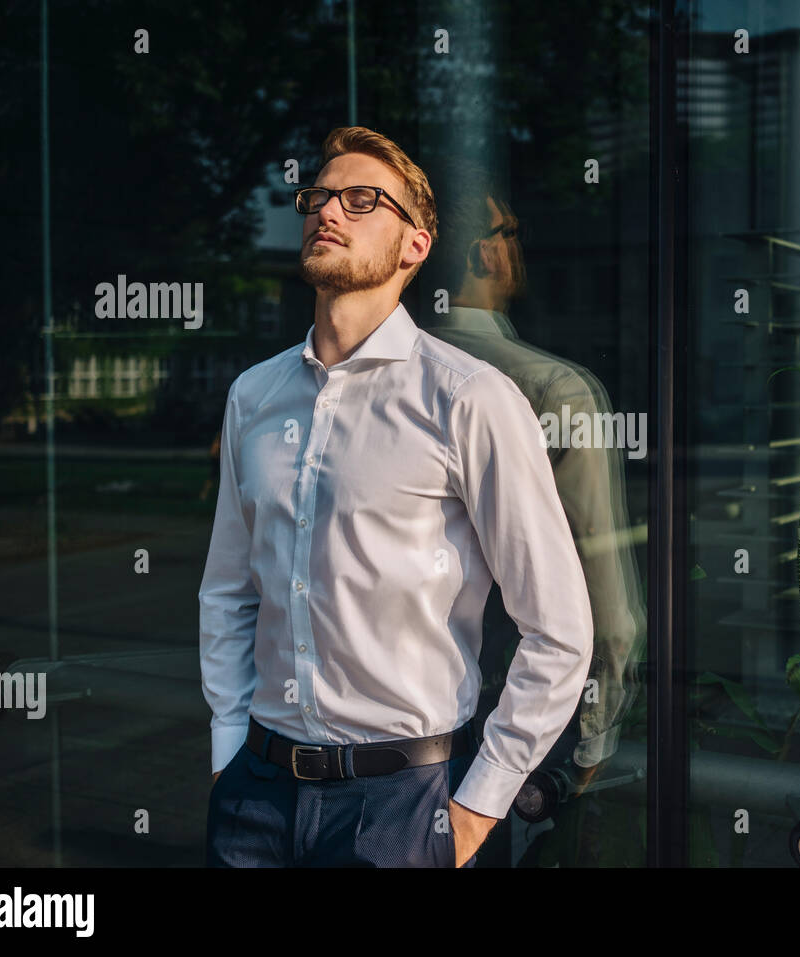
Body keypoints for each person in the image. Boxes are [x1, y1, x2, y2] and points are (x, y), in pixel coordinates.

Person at [198, 126, 594, 867]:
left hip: (402, 804)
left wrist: (474, 811)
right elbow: (227, 591)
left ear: (415, 246)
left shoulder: (468, 398)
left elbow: (560, 630)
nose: (327, 211)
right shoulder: (253, 394)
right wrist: (227, 753)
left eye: (360, 199)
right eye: (318, 195)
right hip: (255, 793)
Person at [416, 159, 645, 814]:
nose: (519, 245)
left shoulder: (366, 379)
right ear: (484, 252)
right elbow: (603, 589)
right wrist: (595, 741)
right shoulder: (554, 390)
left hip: (386, 731)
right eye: (510, 231)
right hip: (508, 726)